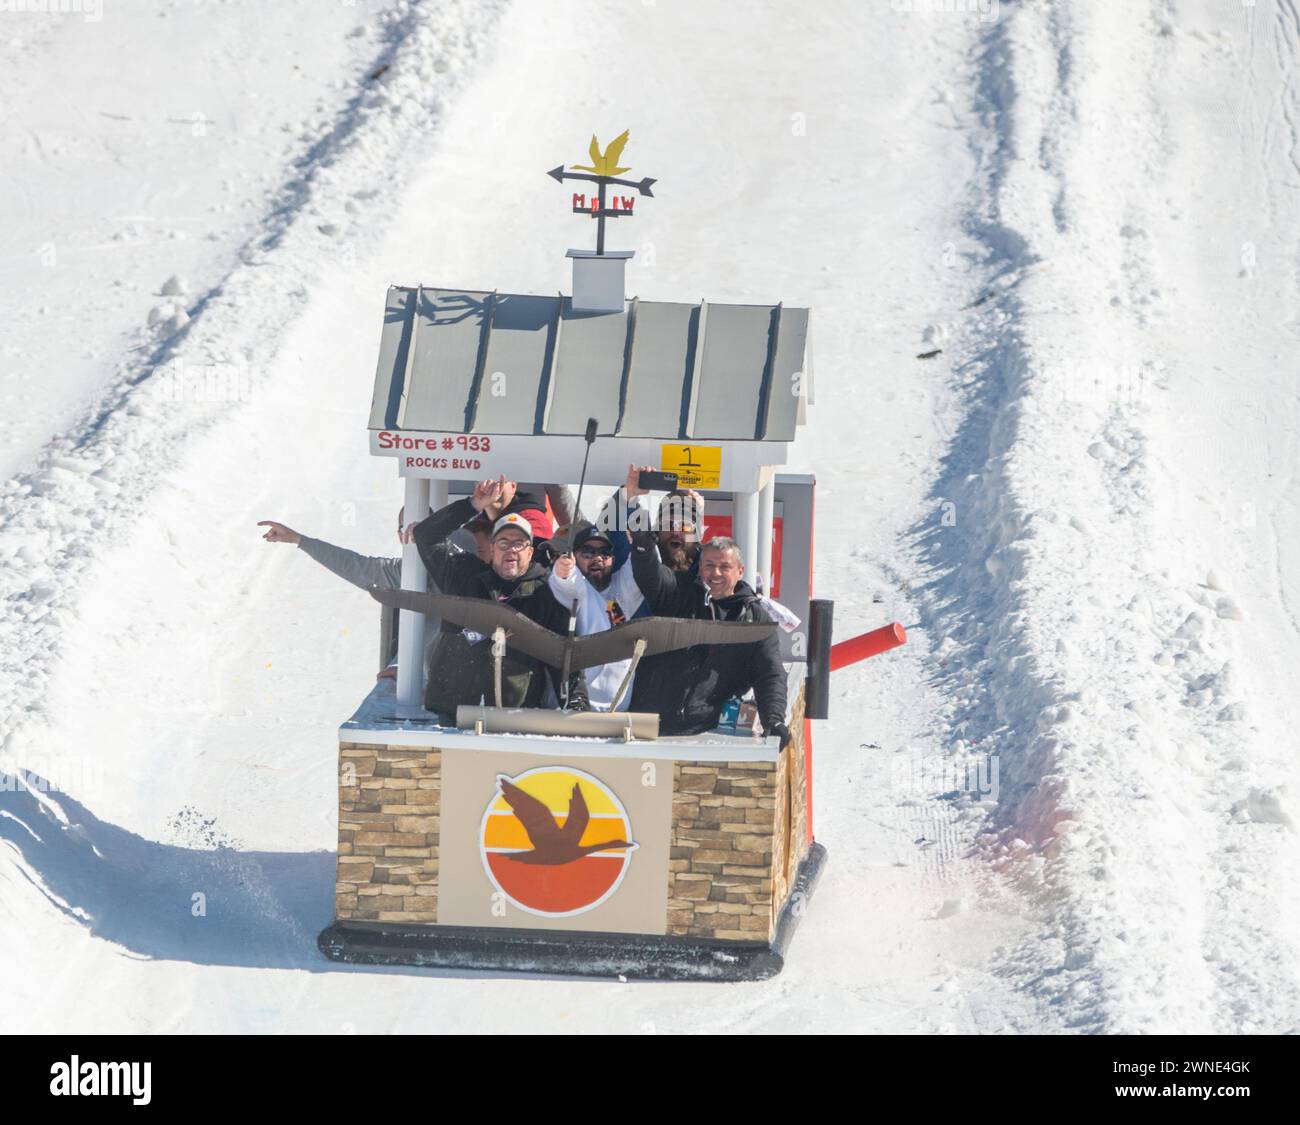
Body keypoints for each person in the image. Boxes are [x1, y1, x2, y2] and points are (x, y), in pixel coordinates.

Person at [413, 478, 587, 719]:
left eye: (519, 543)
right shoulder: (464, 576)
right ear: (492, 548)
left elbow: (564, 657)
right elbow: (425, 535)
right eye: (504, 542)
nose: (511, 550)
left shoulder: (545, 594)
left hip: (513, 718)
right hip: (448, 714)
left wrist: (577, 707)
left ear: (530, 551)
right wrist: (473, 504)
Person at [257, 509, 463, 679]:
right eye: (405, 528)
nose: (413, 533)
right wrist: (298, 539)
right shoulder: (403, 572)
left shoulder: (461, 564)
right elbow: (354, 565)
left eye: (422, 527)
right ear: (399, 536)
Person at [628, 531, 789, 744]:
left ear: (740, 571)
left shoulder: (754, 619)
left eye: (725, 567)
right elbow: (652, 578)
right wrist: (643, 551)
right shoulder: (679, 591)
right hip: (646, 726)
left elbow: (770, 673)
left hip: (704, 733)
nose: (716, 573)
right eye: (709, 566)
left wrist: (774, 721)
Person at [549, 519, 643, 711]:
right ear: (574, 557)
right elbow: (567, 584)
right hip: (573, 711)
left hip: (616, 714)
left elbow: (643, 564)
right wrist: (563, 572)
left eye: (604, 553)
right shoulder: (581, 591)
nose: (598, 558)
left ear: (613, 559)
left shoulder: (623, 589)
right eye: (588, 552)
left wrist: (644, 544)